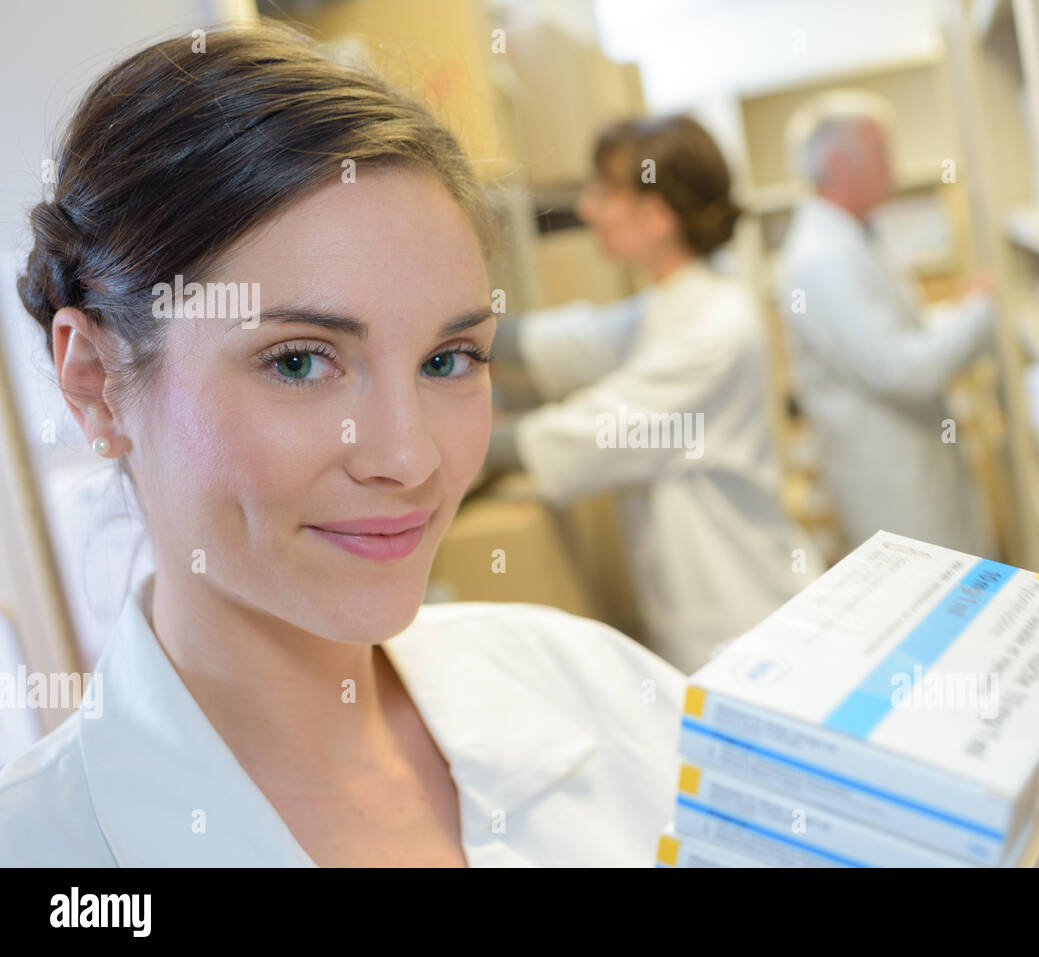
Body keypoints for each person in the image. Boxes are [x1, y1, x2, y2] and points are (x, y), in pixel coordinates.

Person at [0, 25, 686, 867]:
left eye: (448, 359)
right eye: (299, 361)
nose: (409, 456)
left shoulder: (606, 689)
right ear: (97, 380)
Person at [487, 115, 825, 673]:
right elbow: (574, 342)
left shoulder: (718, 324)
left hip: (742, 612)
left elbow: (602, 430)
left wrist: (457, 443)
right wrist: (458, 330)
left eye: (604, 191)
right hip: (704, 604)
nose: (588, 208)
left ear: (659, 214)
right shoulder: (668, 306)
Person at [776, 91, 997, 556]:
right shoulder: (822, 258)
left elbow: (898, 336)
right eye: (882, 154)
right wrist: (980, 313)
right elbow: (903, 369)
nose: (891, 170)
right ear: (839, 163)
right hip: (899, 495)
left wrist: (959, 315)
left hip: (917, 477)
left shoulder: (853, 239)